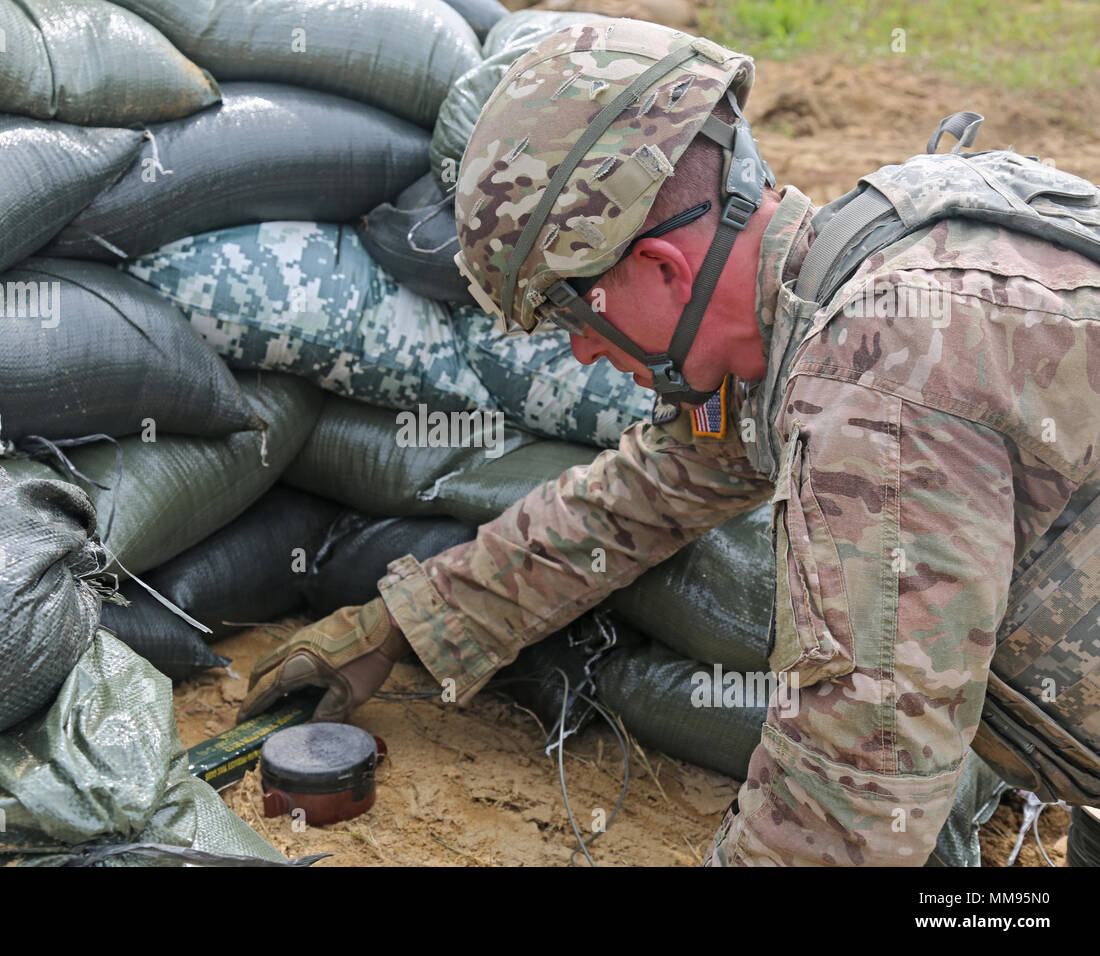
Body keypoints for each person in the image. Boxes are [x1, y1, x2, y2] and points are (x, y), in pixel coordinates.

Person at [241, 18, 1100, 865]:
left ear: (660, 268)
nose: (580, 350)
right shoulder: (831, 293)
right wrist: (399, 625)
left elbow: (849, 812)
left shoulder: (875, 382)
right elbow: (634, 502)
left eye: (573, 315)